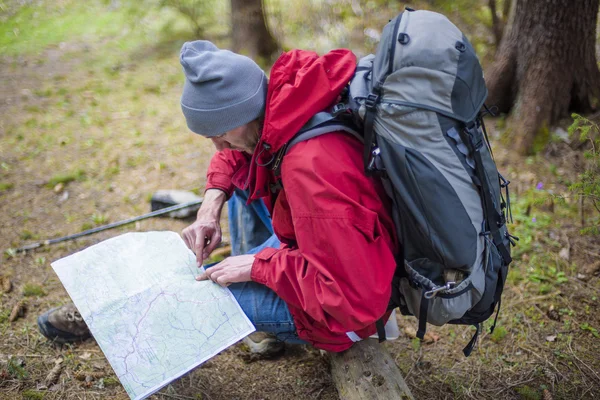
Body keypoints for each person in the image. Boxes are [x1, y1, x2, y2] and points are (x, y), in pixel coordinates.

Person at [38, 40, 399, 354]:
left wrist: (258, 268)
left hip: (342, 314)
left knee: (193, 296)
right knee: (241, 175)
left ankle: (102, 317)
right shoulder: (286, 106)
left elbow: (355, 298)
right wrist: (210, 208)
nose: (217, 145)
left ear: (244, 112)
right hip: (318, 249)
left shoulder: (311, 169)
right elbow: (233, 158)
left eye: (220, 132)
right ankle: (113, 306)